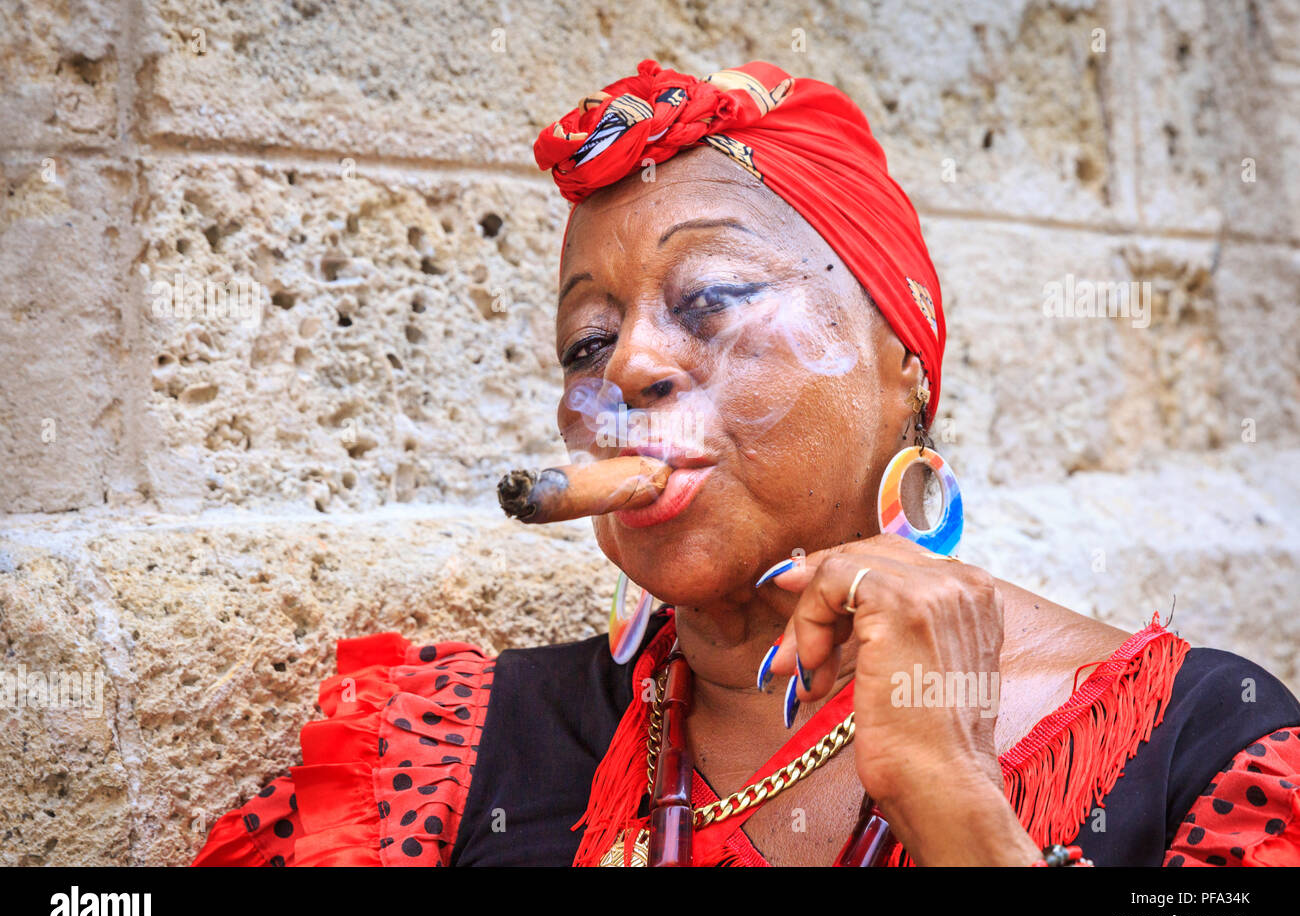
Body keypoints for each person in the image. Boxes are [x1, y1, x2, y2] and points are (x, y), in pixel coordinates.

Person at [193, 59, 1300, 868]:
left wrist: (959, 806)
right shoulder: (446, 764)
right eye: (587, 342)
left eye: (710, 300)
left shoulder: (1203, 746)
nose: (627, 365)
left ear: (904, 361)